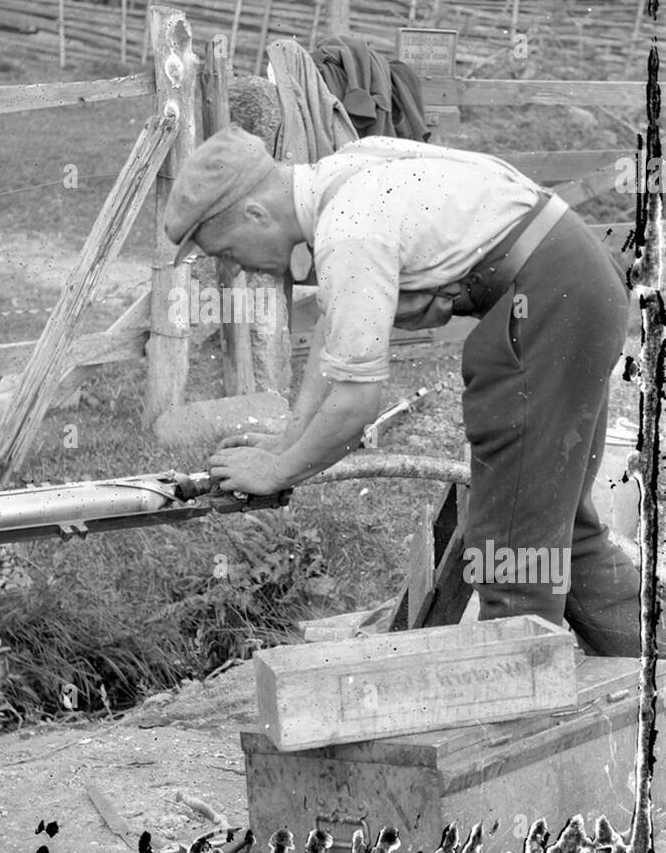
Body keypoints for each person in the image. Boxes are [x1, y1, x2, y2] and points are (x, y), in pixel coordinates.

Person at [163, 126, 644, 658]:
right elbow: (340, 329)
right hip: (573, 281)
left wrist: (279, 472)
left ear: (255, 214)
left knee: (511, 541)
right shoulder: (346, 173)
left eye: (228, 251)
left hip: (549, 303)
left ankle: (514, 703)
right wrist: (289, 438)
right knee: (554, 519)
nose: (237, 268)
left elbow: (358, 402)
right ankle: (653, 655)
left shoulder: (348, 228)